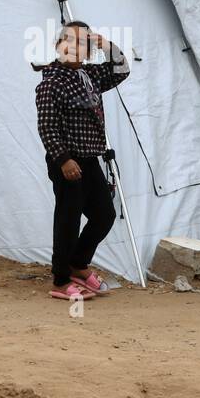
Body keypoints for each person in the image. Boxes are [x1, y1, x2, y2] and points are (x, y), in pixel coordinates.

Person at [34, 21, 131, 301]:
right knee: (68, 218)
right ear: (57, 45)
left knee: (104, 215)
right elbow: (48, 127)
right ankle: (61, 279)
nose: (74, 48)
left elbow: (122, 69)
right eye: (69, 41)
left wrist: (107, 46)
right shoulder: (51, 81)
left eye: (82, 44)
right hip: (67, 162)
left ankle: (77, 264)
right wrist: (63, 160)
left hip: (90, 159)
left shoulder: (90, 75)